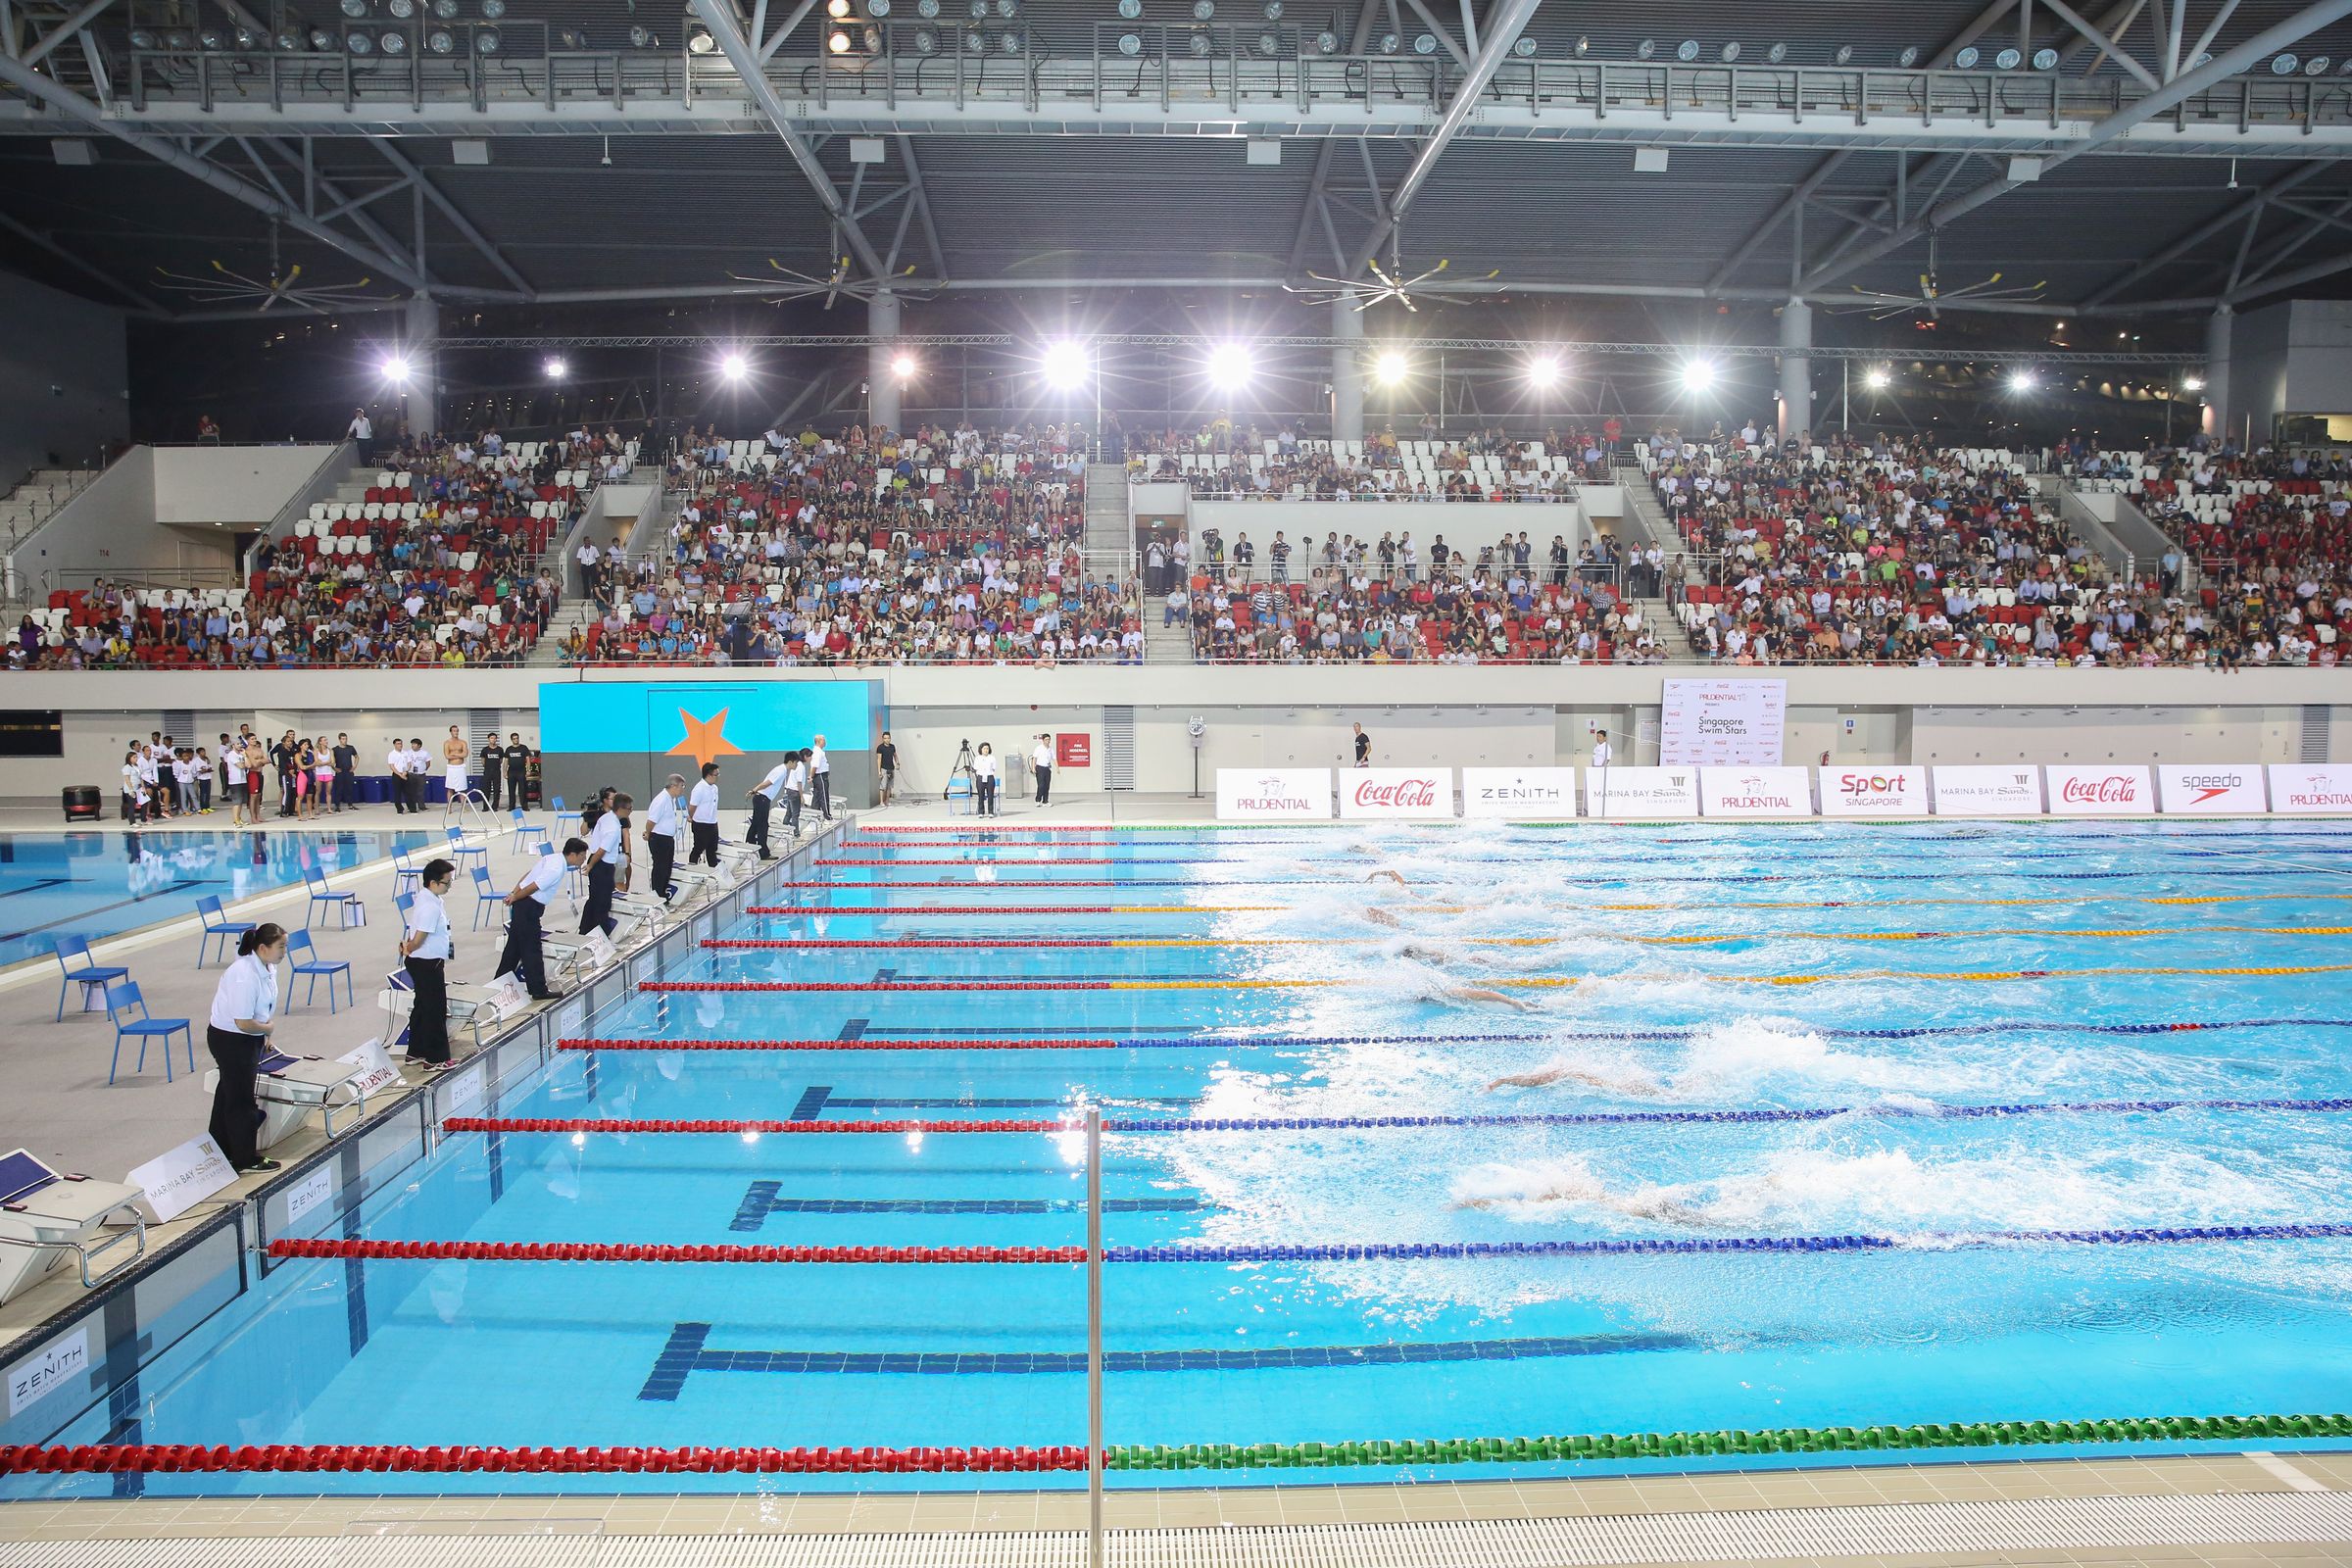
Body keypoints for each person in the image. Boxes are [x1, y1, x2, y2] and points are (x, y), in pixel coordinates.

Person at [207, 924, 286, 1174]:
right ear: (263, 948)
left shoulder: (267, 967)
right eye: (281, 946)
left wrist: (264, 1033)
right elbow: (242, 1022)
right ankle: (244, 1158)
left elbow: (262, 1007)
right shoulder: (244, 974)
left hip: (245, 1037)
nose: (285, 951)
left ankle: (220, 1148)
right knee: (241, 1101)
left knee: (228, 1093)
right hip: (231, 1040)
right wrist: (266, 1029)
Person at [498, 839, 585, 1000]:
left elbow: (528, 875)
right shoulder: (556, 868)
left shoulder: (552, 858)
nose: (583, 859)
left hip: (524, 905)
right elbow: (533, 886)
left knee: (514, 948)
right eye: (582, 856)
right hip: (528, 908)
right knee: (532, 950)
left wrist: (513, 893)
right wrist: (515, 897)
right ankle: (538, 990)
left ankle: (499, 984)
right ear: (572, 854)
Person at [401, 859, 456, 1066]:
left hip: (424, 962)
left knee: (423, 1008)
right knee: (435, 1010)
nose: (449, 886)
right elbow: (418, 939)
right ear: (433, 882)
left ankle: (416, 1052)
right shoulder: (429, 907)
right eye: (446, 882)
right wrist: (408, 948)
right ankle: (436, 1059)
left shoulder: (431, 899)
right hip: (427, 963)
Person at [579, 795, 627, 936]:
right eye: (629, 808)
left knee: (594, 900)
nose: (631, 811)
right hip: (601, 864)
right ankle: (603, 936)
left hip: (600, 863)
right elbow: (602, 850)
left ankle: (584, 931)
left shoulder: (607, 818)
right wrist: (590, 866)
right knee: (603, 904)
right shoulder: (612, 826)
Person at [644, 773, 684, 901]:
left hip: (667, 839)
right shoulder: (661, 800)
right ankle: (657, 896)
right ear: (673, 786)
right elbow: (651, 821)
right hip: (659, 839)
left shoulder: (671, 799)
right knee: (660, 869)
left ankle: (663, 894)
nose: (683, 789)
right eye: (681, 786)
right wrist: (648, 833)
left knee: (667, 868)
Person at [746, 756, 789, 858]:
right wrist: (755, 789)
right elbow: (768, 783)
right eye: (796, 763)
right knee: (762, 827)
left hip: (761, 798)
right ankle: (763, 853)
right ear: (791, 762)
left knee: (756, 825)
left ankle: (749, 847)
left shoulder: (781, 769)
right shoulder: (781, 771)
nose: (796, 765)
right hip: (762, 799)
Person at [688, 761, 721, 865]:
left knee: (712, 849)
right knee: (699, 847)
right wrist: (691, 817)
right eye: (716, 775)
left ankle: (713, 870)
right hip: (701, 824)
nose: (718, 777)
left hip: (712, 823)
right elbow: (692, 806)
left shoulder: (715, 788)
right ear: (709, 775)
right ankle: (693, 867)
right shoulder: (699, 789)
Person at [780, 750, 807, 841]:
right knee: (795, 814)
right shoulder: (800, 766)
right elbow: (799, 783)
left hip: (790, 790)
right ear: (806, 756)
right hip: (795, 792)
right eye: (810, 756)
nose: (811, 758)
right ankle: (796, 835)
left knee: (789, 813)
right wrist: (801, 796)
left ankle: (783, 832)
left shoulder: (797, 765)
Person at [225, 740, 250, 827]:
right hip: (235, 781)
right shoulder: (231, 755)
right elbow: (241, 766)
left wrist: (245, 756)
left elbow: (249, 765)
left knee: (240, 802)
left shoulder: (241, 754)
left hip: (243, 780)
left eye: (240, 744)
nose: (240, 745)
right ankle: (236, 820)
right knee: (237, 801)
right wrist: (244, 762)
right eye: (238, 744)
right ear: (233, 745)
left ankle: (239, 818)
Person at [442, 725, 470, 804]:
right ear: (451, 732)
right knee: (450, 788)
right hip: (451, 767)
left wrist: (454, 754)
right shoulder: (447, 743)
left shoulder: (462, 742)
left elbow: (465, 754)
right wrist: (459, 754)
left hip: (460, 767)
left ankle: (463, 806)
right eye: (454, 731)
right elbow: (447, 756)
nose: (456, 732)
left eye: (457, 731)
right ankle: (449, 806)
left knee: (462, 787)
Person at [331, 732, 359, 812]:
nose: (345, 740)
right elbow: (331, 761)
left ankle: (350, 804)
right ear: (339, 739)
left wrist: (354, 767)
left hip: (348, 771)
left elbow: (357, 757)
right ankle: (337, 806)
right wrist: (334, 768)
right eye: (343, 739)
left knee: (349, 788)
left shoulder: (350, 748)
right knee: (339, 789)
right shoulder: (335, 749)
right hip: (340, 771)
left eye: (346, 739)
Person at [480, 733, 507, 811]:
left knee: (496, 789)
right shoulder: (485, 749)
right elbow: (483, 761)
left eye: (495, 738)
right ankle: (485, 807)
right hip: (487, 771)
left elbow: (501, 760)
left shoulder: (500, 749)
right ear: (488, 739)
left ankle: (495, 807)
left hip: (496, 771)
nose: (493, 740)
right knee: (486, 790)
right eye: (491, 738)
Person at [385, 736, 413, 814]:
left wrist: (406, 772)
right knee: (397, 793)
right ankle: (399, 809)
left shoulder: (406, 753)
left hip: (405, 773)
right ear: (394, 745)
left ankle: (411, 808)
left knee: (408, 792)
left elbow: (409, 763)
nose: (400, 745)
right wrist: (400, 775)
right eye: (398, 744)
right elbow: (392, 766)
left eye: (401, 743)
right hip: (397, 774)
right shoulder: (391, 754)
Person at [405, 738, 432, 813]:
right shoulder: (408, 753)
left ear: (419, 745)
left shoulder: (425, 753)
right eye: (412, 744)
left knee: (421, 791)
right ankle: (411, 807)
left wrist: (423, 769)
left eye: (414, 744)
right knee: (411, 791)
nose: (412, 745)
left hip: (421, 774)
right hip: (411, 774)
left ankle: (422, 806)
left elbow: (428, 763)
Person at [808, 733, 831, 820]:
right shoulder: (817, 752)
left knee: (817, 796)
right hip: (820, 776)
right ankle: (827, 816)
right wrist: (811, 776)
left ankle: (815, 815)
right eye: (824, 740)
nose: (825, 742)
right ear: (819, 741)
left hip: (821, 775)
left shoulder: (819, 751)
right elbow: (815, 765)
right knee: (823, 796)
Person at [973, 741, 1000, 816]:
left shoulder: (992, 758)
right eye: (984, 748)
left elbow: (994, 768)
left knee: (990, 795)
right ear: (981, 749)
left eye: (987, 748)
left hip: (990, 777)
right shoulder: (977, 758)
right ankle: (981, 812)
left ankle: (990, 812)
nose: (986, 750)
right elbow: (976, 768)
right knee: (981, 796)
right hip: (980, 777)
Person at [1031, 734, 1054, 808]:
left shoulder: (1050, 749)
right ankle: (1038, 800)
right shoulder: (1038, 748)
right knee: (1041, 785)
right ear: (1043, 740)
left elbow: (1054, 758)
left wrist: (1057, 768)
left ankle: (1045, 801)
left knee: (1047, 786)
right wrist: (1033, 768)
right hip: (1040, 768)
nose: (1048, 741)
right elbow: (1034, 758)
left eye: (1049, 739)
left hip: (1047, 768)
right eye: (1046, 739)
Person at [875, 731, 898, 807]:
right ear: (883, 739)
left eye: (888, 738)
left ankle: (887, 801)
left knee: (889, 786)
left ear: (890, 738)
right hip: (884, 768)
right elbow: (879, 759)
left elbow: (895, 755)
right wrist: (879, 771)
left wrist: (897, 762)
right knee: (883, 786)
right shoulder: (880, 748)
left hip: (891, 768)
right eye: (885, 738)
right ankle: (881, 801)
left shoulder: (892, 747)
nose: (887, 739)